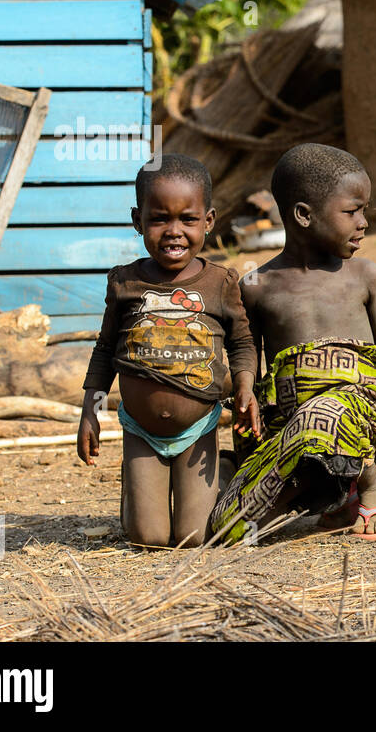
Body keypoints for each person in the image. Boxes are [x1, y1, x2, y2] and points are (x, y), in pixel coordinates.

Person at [208, 144, 376, 544]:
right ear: (304, 215)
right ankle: (337, 497)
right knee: (227, 529)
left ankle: (371, 480)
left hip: (361, 415)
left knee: (321, 410)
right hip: (293, 432)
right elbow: (250, 376)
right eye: (352, 211)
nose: (363, 223)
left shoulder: (364, 276)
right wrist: (244, 454)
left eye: (365, 211)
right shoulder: (257, 287)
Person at [77, 154, 260, 548]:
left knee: (194, 537)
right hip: (141, 430)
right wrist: (90, 414)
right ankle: (136, 484)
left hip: (198, 431)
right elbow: (105, 350)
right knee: (150, 538)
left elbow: (242, 343)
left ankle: (224, 469)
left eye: (188, 220)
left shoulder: (220, 282)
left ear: (208, 221)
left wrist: (245, 386)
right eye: (159, 219)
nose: (174, 232)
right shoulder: (125, 282)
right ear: (137, 220)